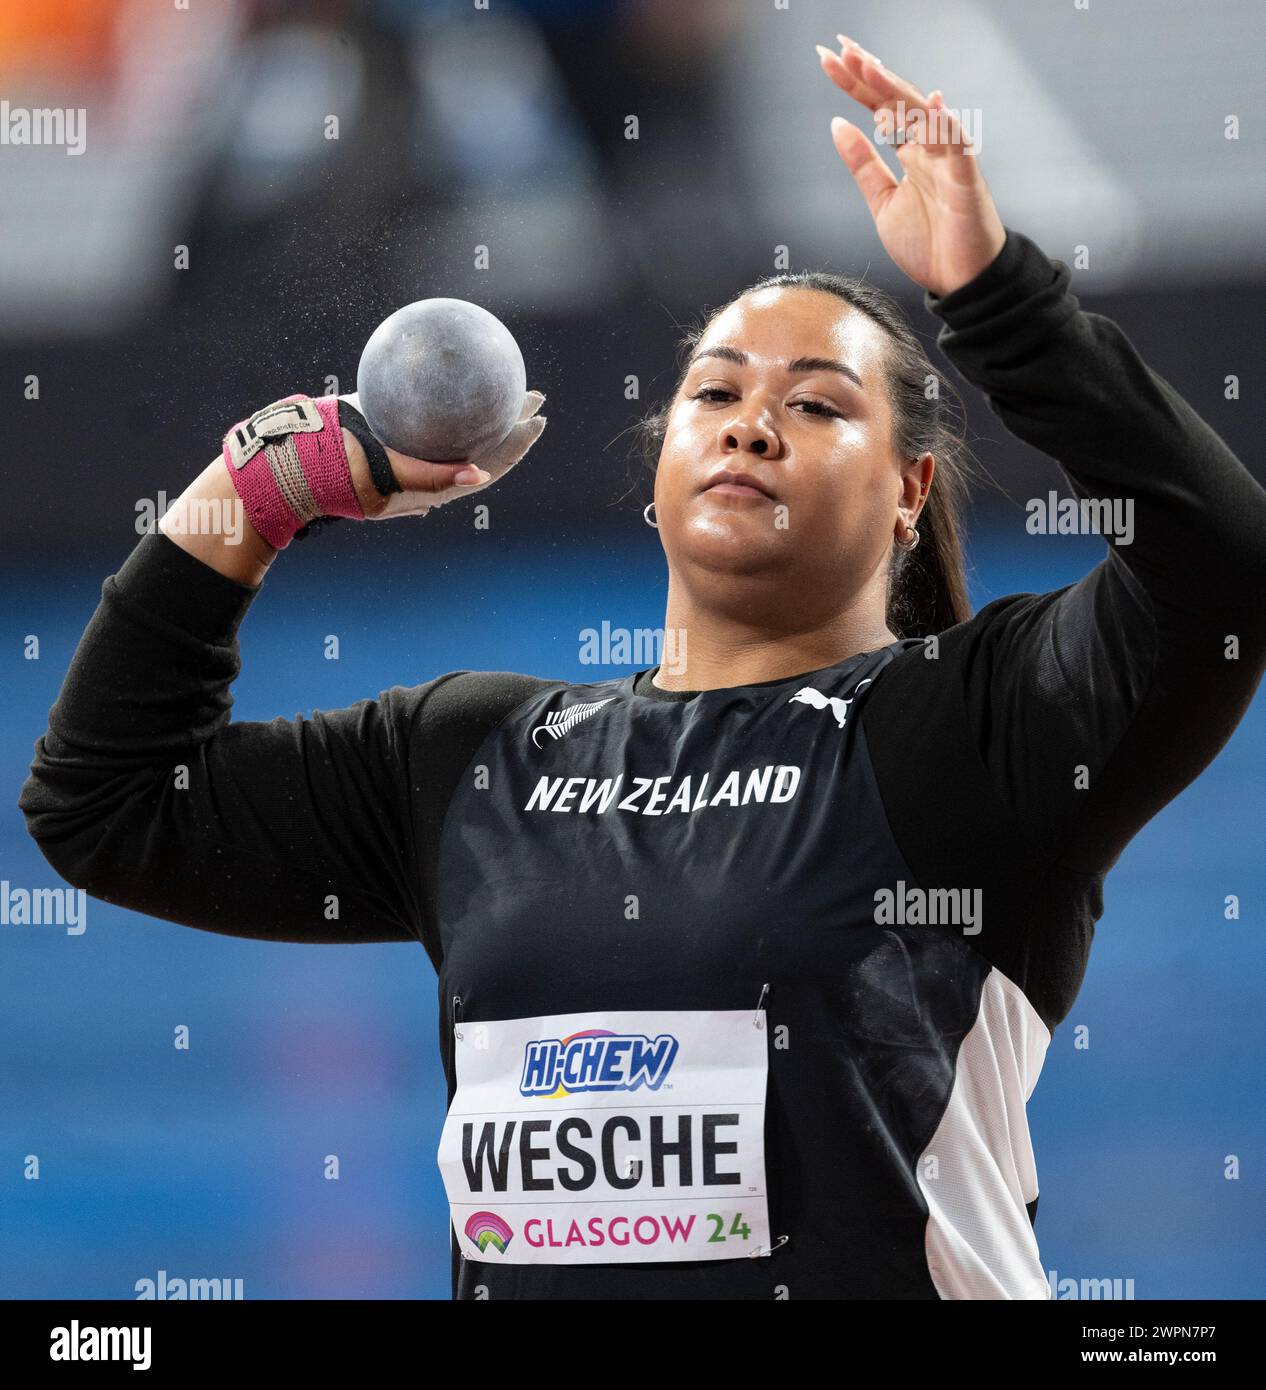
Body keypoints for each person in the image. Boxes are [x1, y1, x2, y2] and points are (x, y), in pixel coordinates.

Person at [20, 36, 1266, 1300]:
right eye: (712, 390)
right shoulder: (473, 760)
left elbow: (1221, 564)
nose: (750, 419)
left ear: (909, 494)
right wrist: (261, 493)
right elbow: (107, 802)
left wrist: (1000, 298)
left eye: (821, 404)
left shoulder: (972, 728)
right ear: (658, 469)